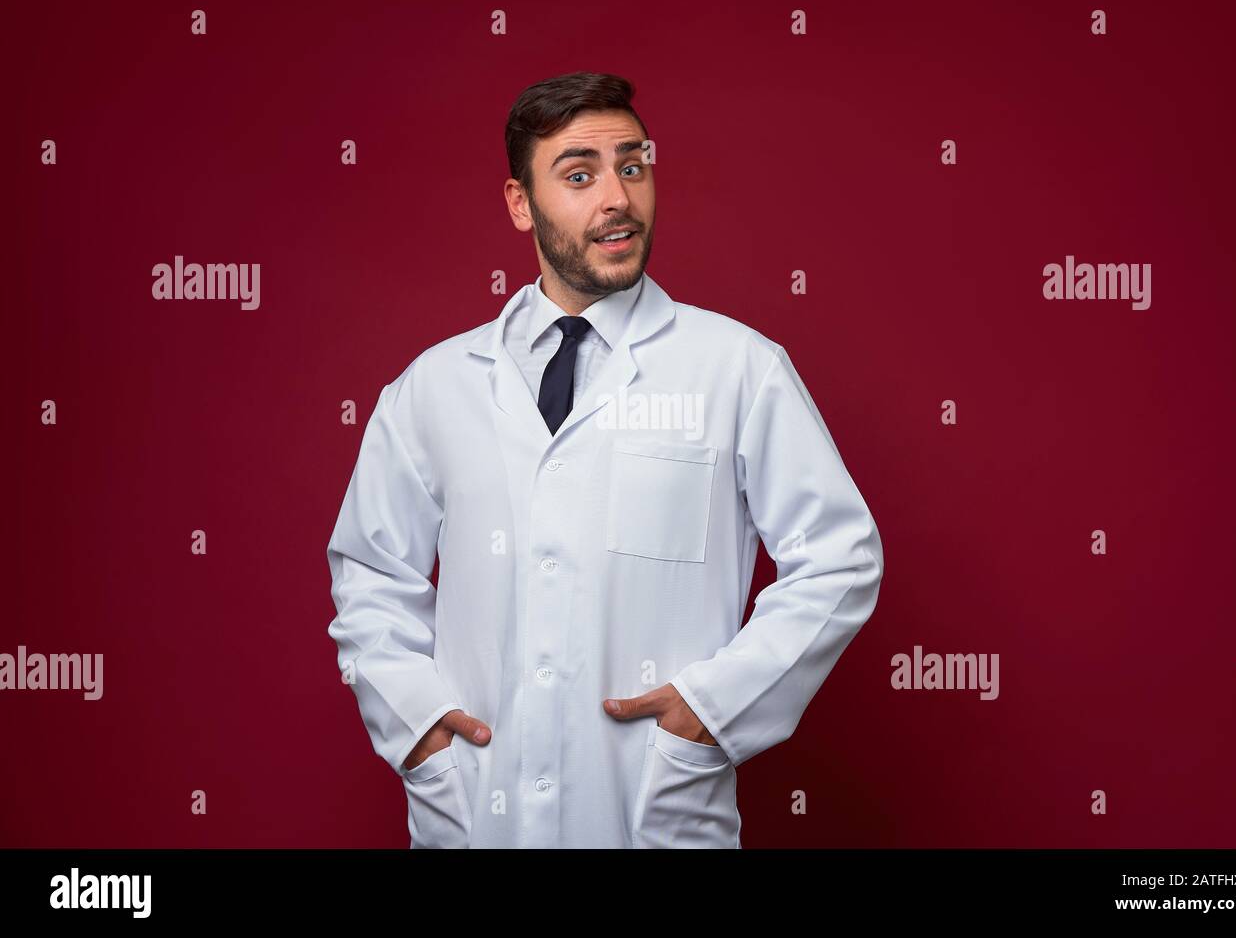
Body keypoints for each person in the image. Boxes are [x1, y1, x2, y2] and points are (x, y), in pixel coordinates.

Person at [326, 71, 885, 848]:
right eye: (579, 174)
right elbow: (370, 574)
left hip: (653, 806)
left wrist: (713, 710)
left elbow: (841, 557)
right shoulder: (435, 388)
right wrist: (420, 731)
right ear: (520, 203)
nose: (617, 197)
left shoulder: (736, 369)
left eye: (633, 165)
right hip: (478, 811)